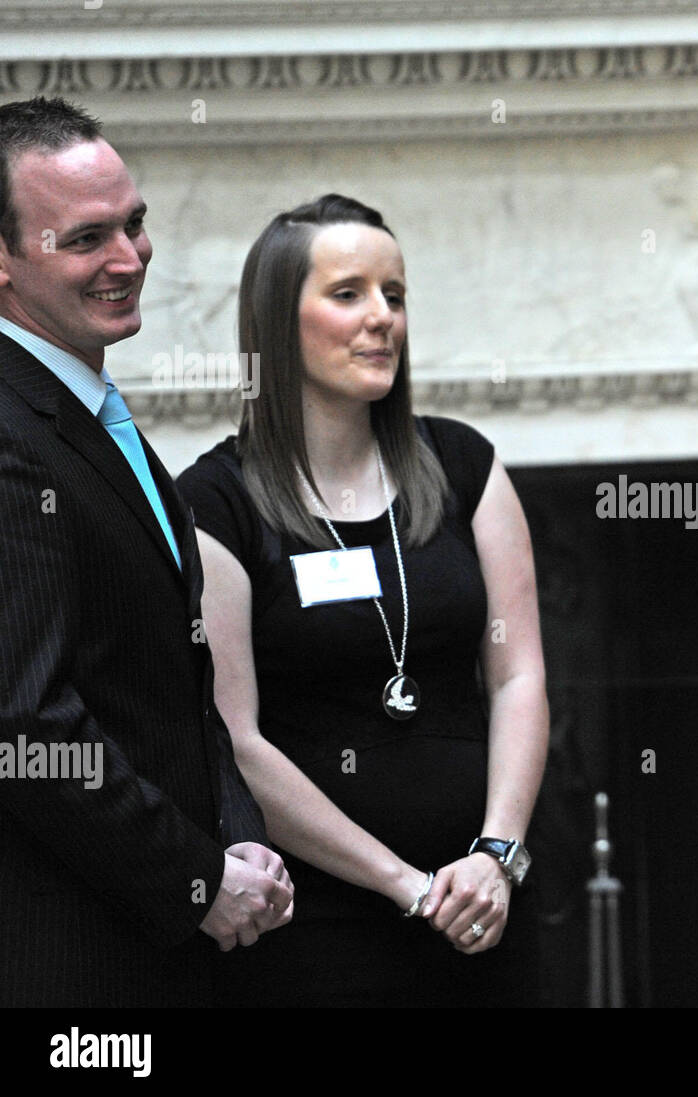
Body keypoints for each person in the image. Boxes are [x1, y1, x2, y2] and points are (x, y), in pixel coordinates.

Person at [177, 194, 549, 1007]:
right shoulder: (217, 501)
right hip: (316, 923)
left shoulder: (464, 464)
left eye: (395, 294)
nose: (382, 317)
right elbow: (235, 739)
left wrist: (497, 854)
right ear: (280, 320)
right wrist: (405, 884)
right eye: (349, 293)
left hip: (482, 903)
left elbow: (519, 675)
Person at [0, 96, 293, 1008]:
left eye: (135, 224)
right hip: (72, 959)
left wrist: (236, 839)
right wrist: (194, 878)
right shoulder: (9, 438)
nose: (129, 260)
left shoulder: (90, 411)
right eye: (87, 239)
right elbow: (26, 726)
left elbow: (177, 677)